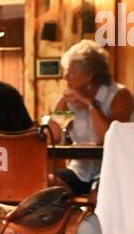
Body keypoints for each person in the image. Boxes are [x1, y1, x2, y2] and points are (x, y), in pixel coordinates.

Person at [48, 39, 133, 194]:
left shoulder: (120, 95)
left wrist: (90, 104)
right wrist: (62, 102)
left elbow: (108, 137)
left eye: (71, 72)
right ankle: (73, 219)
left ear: (89, 75)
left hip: (112, 169)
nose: (65, 77)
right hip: (80, 171)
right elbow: (52, 137)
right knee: (48, 186)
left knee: (99, 194)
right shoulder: (71, 100)